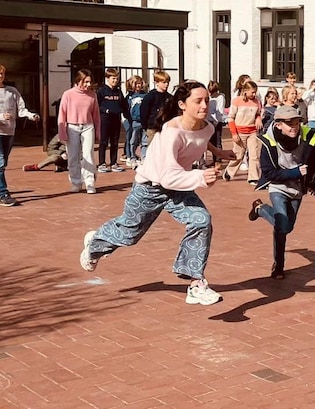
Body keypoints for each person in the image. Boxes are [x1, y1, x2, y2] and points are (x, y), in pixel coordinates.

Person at [80, 81, 233, 306]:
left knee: (201, 220)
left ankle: (196, 284)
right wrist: (200, 177)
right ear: (182, 104)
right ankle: (95, 244)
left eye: (207, 100)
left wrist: (218, 151)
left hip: (178, 187)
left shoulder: (207, 127)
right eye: (198, 101)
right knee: (129, 235)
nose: (204, 105)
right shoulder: (171, 133)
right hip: (150, 188)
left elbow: (199, 140)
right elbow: (167, 177)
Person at [249, 105, 315, 279]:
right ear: (278, 125)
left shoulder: (309, 137)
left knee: (287, 227)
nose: (294, 127)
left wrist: (314, 183)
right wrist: (294, 172)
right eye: (289, 123)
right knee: (282, 225)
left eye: (296, 123)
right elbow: (269, 173)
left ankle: (260, 209)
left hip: (297, 189)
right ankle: (279, 266)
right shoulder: (269, 142)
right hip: (278, 187)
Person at [0, 61, 39, 207]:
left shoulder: (12, 91)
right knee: (0, 162)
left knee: (1, 163)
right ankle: (3, 193)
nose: (0, 76)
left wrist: (31, 115)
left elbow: (21, 109)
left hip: (9, 131)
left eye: (2, 73)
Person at [58, 70, 101, 195]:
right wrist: (62, 132)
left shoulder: (92, 95)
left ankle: (89, 182)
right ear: (78, 80)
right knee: (73, 156)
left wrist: (98, 132)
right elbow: (62, 114)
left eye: (90, 82)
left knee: (88, 155)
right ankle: (75, 182)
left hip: (88, 126)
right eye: (85, 82)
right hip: (72, 127)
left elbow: (96, 115)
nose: (88, 84)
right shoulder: (68, 94)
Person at [225, 79, 263, 182]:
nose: (254, 94)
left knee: (254, 155)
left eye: (255, 92)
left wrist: (258, 119)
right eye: (252, 92)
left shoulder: (257, 101)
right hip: (240, 132)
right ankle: (229, 171)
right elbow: (231, 117)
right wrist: (234, 133)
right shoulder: (236, 101)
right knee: (238, 155)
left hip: (252, 132)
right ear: (245, 91)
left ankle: (253, 177)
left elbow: (258, 113)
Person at [96, 68, 129, 173]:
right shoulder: (101, 91)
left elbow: (124, 105)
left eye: (116, 78)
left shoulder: (118, 92)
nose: (115, 80)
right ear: (107, 78)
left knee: (115, 142)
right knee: (104, 142)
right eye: (113, 78)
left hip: (116, 119)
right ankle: (101, 163)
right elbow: (97, 105)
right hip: (105, 119)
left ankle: (113, 163)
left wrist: (127, 116)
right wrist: (105, 110)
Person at [125, 75, 146, 167]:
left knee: (144, 141)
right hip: (134, 121)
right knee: (132, 140)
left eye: (140, 83)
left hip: (143, 121)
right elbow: (126, 109)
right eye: (136, 83)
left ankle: (143, 157)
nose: (138, 85)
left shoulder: (145, 95)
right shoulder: (129, 96)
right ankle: (131, 156)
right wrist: (129, 118)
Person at [207, 81, 227, 155]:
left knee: (217, 141)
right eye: (210, 91)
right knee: (208, 141)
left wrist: (216, 122)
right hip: (208, 120)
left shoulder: (220, 98)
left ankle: (218, 158)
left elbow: (220, 111)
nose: (211, 94)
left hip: (216, 122)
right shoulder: (209, 97)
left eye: (213, 92)